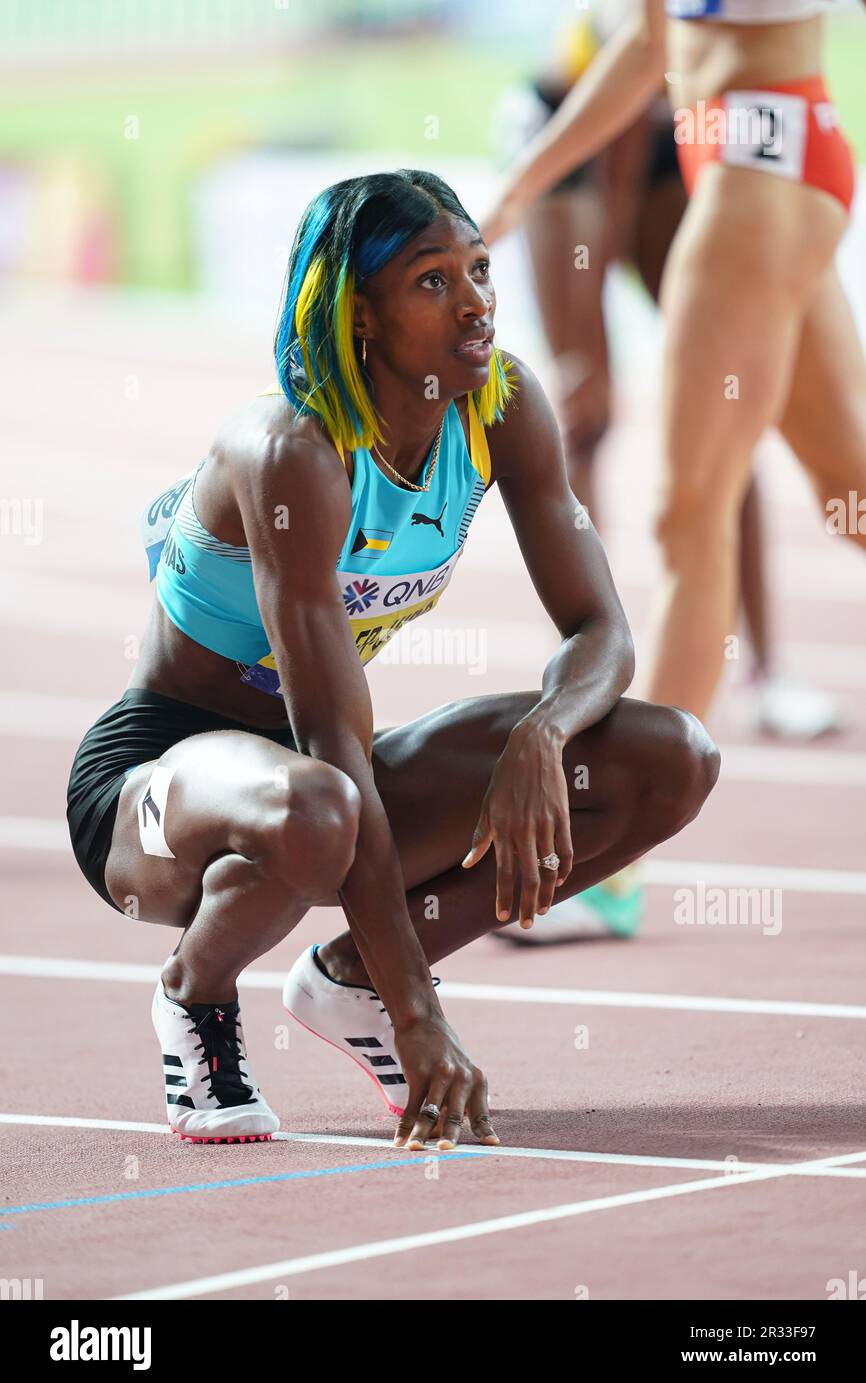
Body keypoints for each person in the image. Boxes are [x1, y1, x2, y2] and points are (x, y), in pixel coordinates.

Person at [66, 169, 719, 1148]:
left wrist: (544, 734)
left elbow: (600, 631)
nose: (474, 302)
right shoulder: (291, 450)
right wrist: (424, 1021)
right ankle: (194, 995)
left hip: (323, 778)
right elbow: (332, 739)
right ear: (358, 315)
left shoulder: (498, 404)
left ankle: (354, 979)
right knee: (320, 802)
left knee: (669, 756)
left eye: (479, 269)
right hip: (156, 793)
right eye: (430, 280)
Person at [492, 0, 848, 943]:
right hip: (755, 153)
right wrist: (521, 188)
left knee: (687, 516)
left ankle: (615, 862)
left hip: (753, 164)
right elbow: (652, 45)